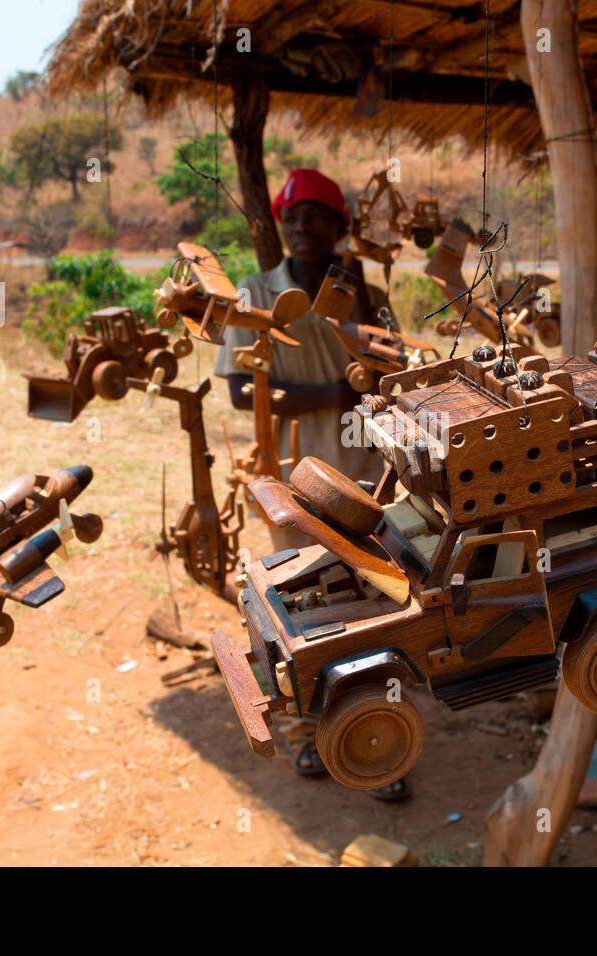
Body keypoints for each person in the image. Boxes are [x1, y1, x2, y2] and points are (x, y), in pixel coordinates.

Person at [213, 168, 407, 799]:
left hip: (367, 470)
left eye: (314, 217)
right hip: (293, 476)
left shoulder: (363, 292)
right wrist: (332, 392)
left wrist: (363, 322)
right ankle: (306, 729)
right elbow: (240, 390)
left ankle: (380, 732)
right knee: (300, 600)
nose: (300, 227)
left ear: (338, 226)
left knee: (377, 597)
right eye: (291, 218)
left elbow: (395, 371)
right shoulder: (255, 294)